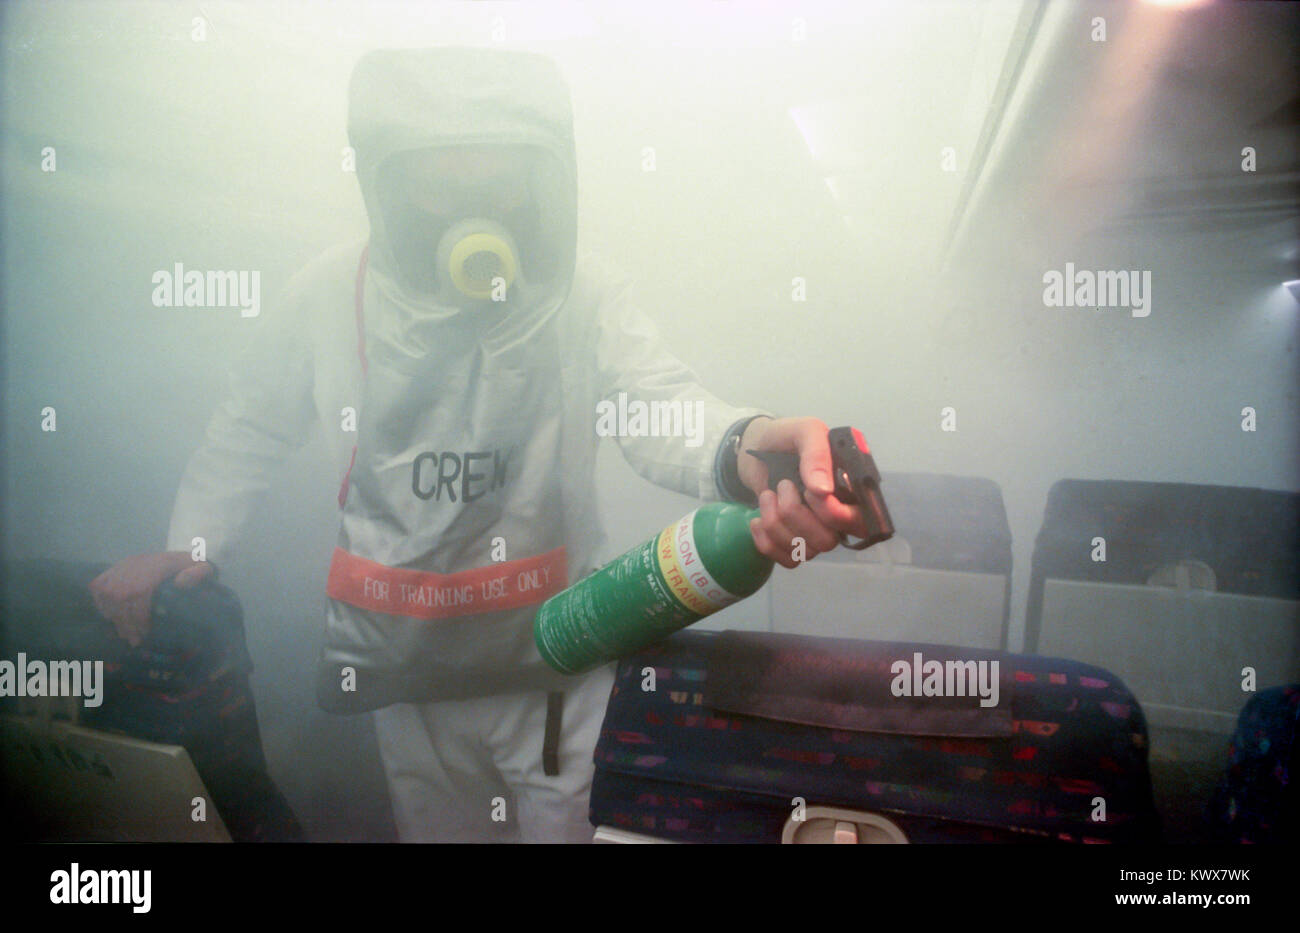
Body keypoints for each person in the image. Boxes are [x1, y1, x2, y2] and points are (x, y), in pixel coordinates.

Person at [89, 46, 871, 843]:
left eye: (493, 177)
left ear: (540, 179)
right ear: (387, 184)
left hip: (556, 667)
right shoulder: (330, 292)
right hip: (408, 674)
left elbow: (656, 406)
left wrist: (743, 442)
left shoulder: (578, 289)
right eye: (439, 178)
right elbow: (250, 423)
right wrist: (187, 542)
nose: (469, 205)